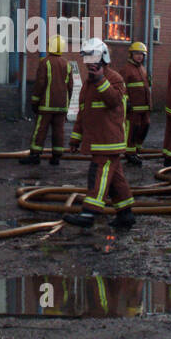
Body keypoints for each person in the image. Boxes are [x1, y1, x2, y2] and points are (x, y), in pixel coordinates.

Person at [65, 38, 135, 231]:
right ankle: (125, 213)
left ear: (103, 58)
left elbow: (113, 101)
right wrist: (75, 139)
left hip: (108, 142)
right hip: (98, 141)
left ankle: (89, 213)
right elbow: (83, 114)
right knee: (115, 178)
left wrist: (101, 80)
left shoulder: (115, 79)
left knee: (98, 175)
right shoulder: (88, 85)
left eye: (93, 58)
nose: (90, 64)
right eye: (87, 59)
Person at [21, 35, 74, 166]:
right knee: (59, 131)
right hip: (62, 106)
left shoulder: (45, 62)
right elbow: (70, 87)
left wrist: (34, 101)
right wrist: (67, 104)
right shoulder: (67, 64)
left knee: (40, 130)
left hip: (46, 105)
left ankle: (35, 155)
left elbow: (40, 84)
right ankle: (56, 157)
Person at [120, 41, 152, 166]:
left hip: (144, 108)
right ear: (131, 55)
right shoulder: (126, 70)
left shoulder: (142, 69)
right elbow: (122, 87)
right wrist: (126, 102)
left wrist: (150, 105)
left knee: (145, 126)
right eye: (136, 54)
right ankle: (130, 153)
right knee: (133, 129)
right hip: (133, 108)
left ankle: (136, 150)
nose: (139, 56)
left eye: (142, 54)